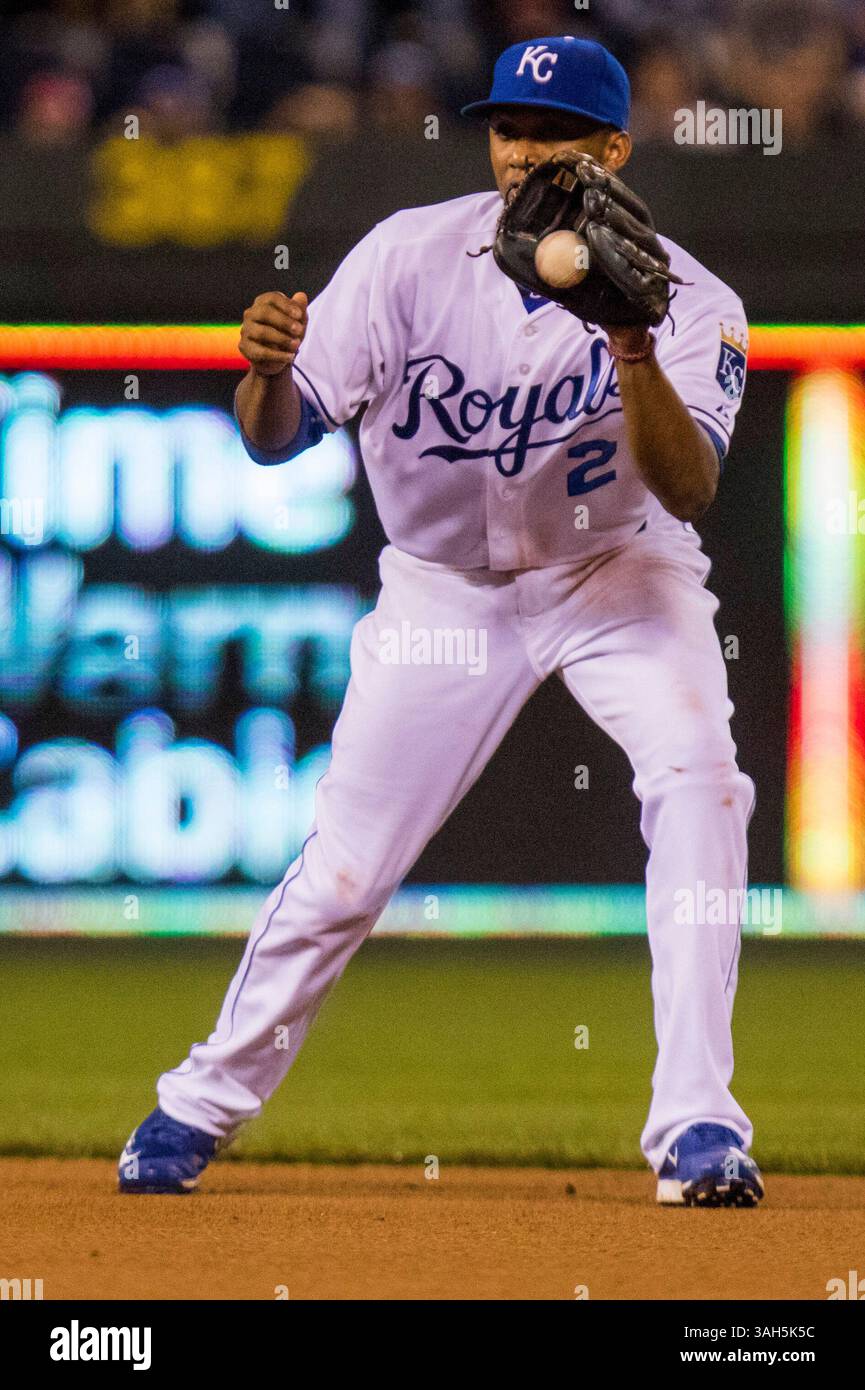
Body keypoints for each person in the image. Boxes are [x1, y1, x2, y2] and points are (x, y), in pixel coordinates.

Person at [119, 35, 763, 1207]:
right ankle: (195, 1103)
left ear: (612, 149)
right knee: (349, 870)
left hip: (617, 572)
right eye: (508, 126)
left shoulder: (689, 299)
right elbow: (276, 434)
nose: (524, 152)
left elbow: (689, 487)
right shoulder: (406, 258)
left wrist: (627, 343)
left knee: (702, 781)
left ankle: (698, 1130)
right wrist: (262, 370)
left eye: (553, 131)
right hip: (442, 591)